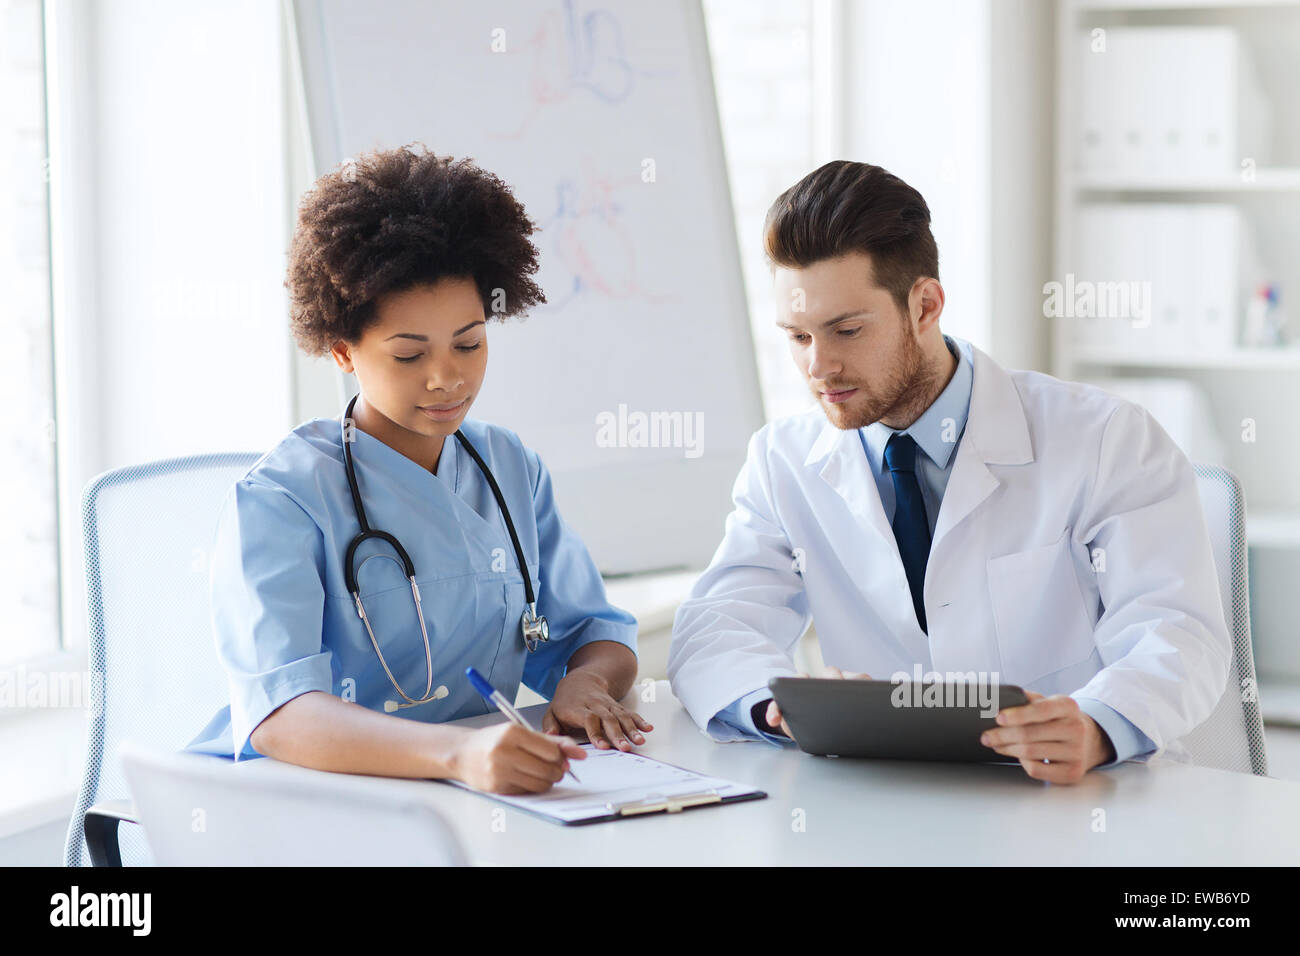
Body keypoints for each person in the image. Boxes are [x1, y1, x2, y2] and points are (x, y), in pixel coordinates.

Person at [668, 160, 1229, 784]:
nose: (820, 367)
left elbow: (1178, 631)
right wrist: (774, 709)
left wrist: (1098, 724)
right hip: (888, 800)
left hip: (1073, 799)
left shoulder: (1104, 438)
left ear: (925, 305)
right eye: (797, 337)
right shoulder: (782, 462)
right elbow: (714, 627)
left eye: (846, 330)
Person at [188, 144, 652, 794]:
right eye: (409, 355)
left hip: (456, 796)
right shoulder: (284, 498)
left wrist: (586, 681)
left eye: (469, 342)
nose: (448, 378)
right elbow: (279, 716)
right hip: (293, 799)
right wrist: (454, 756)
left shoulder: (509, 467)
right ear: (343, 351)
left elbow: (594, 630)